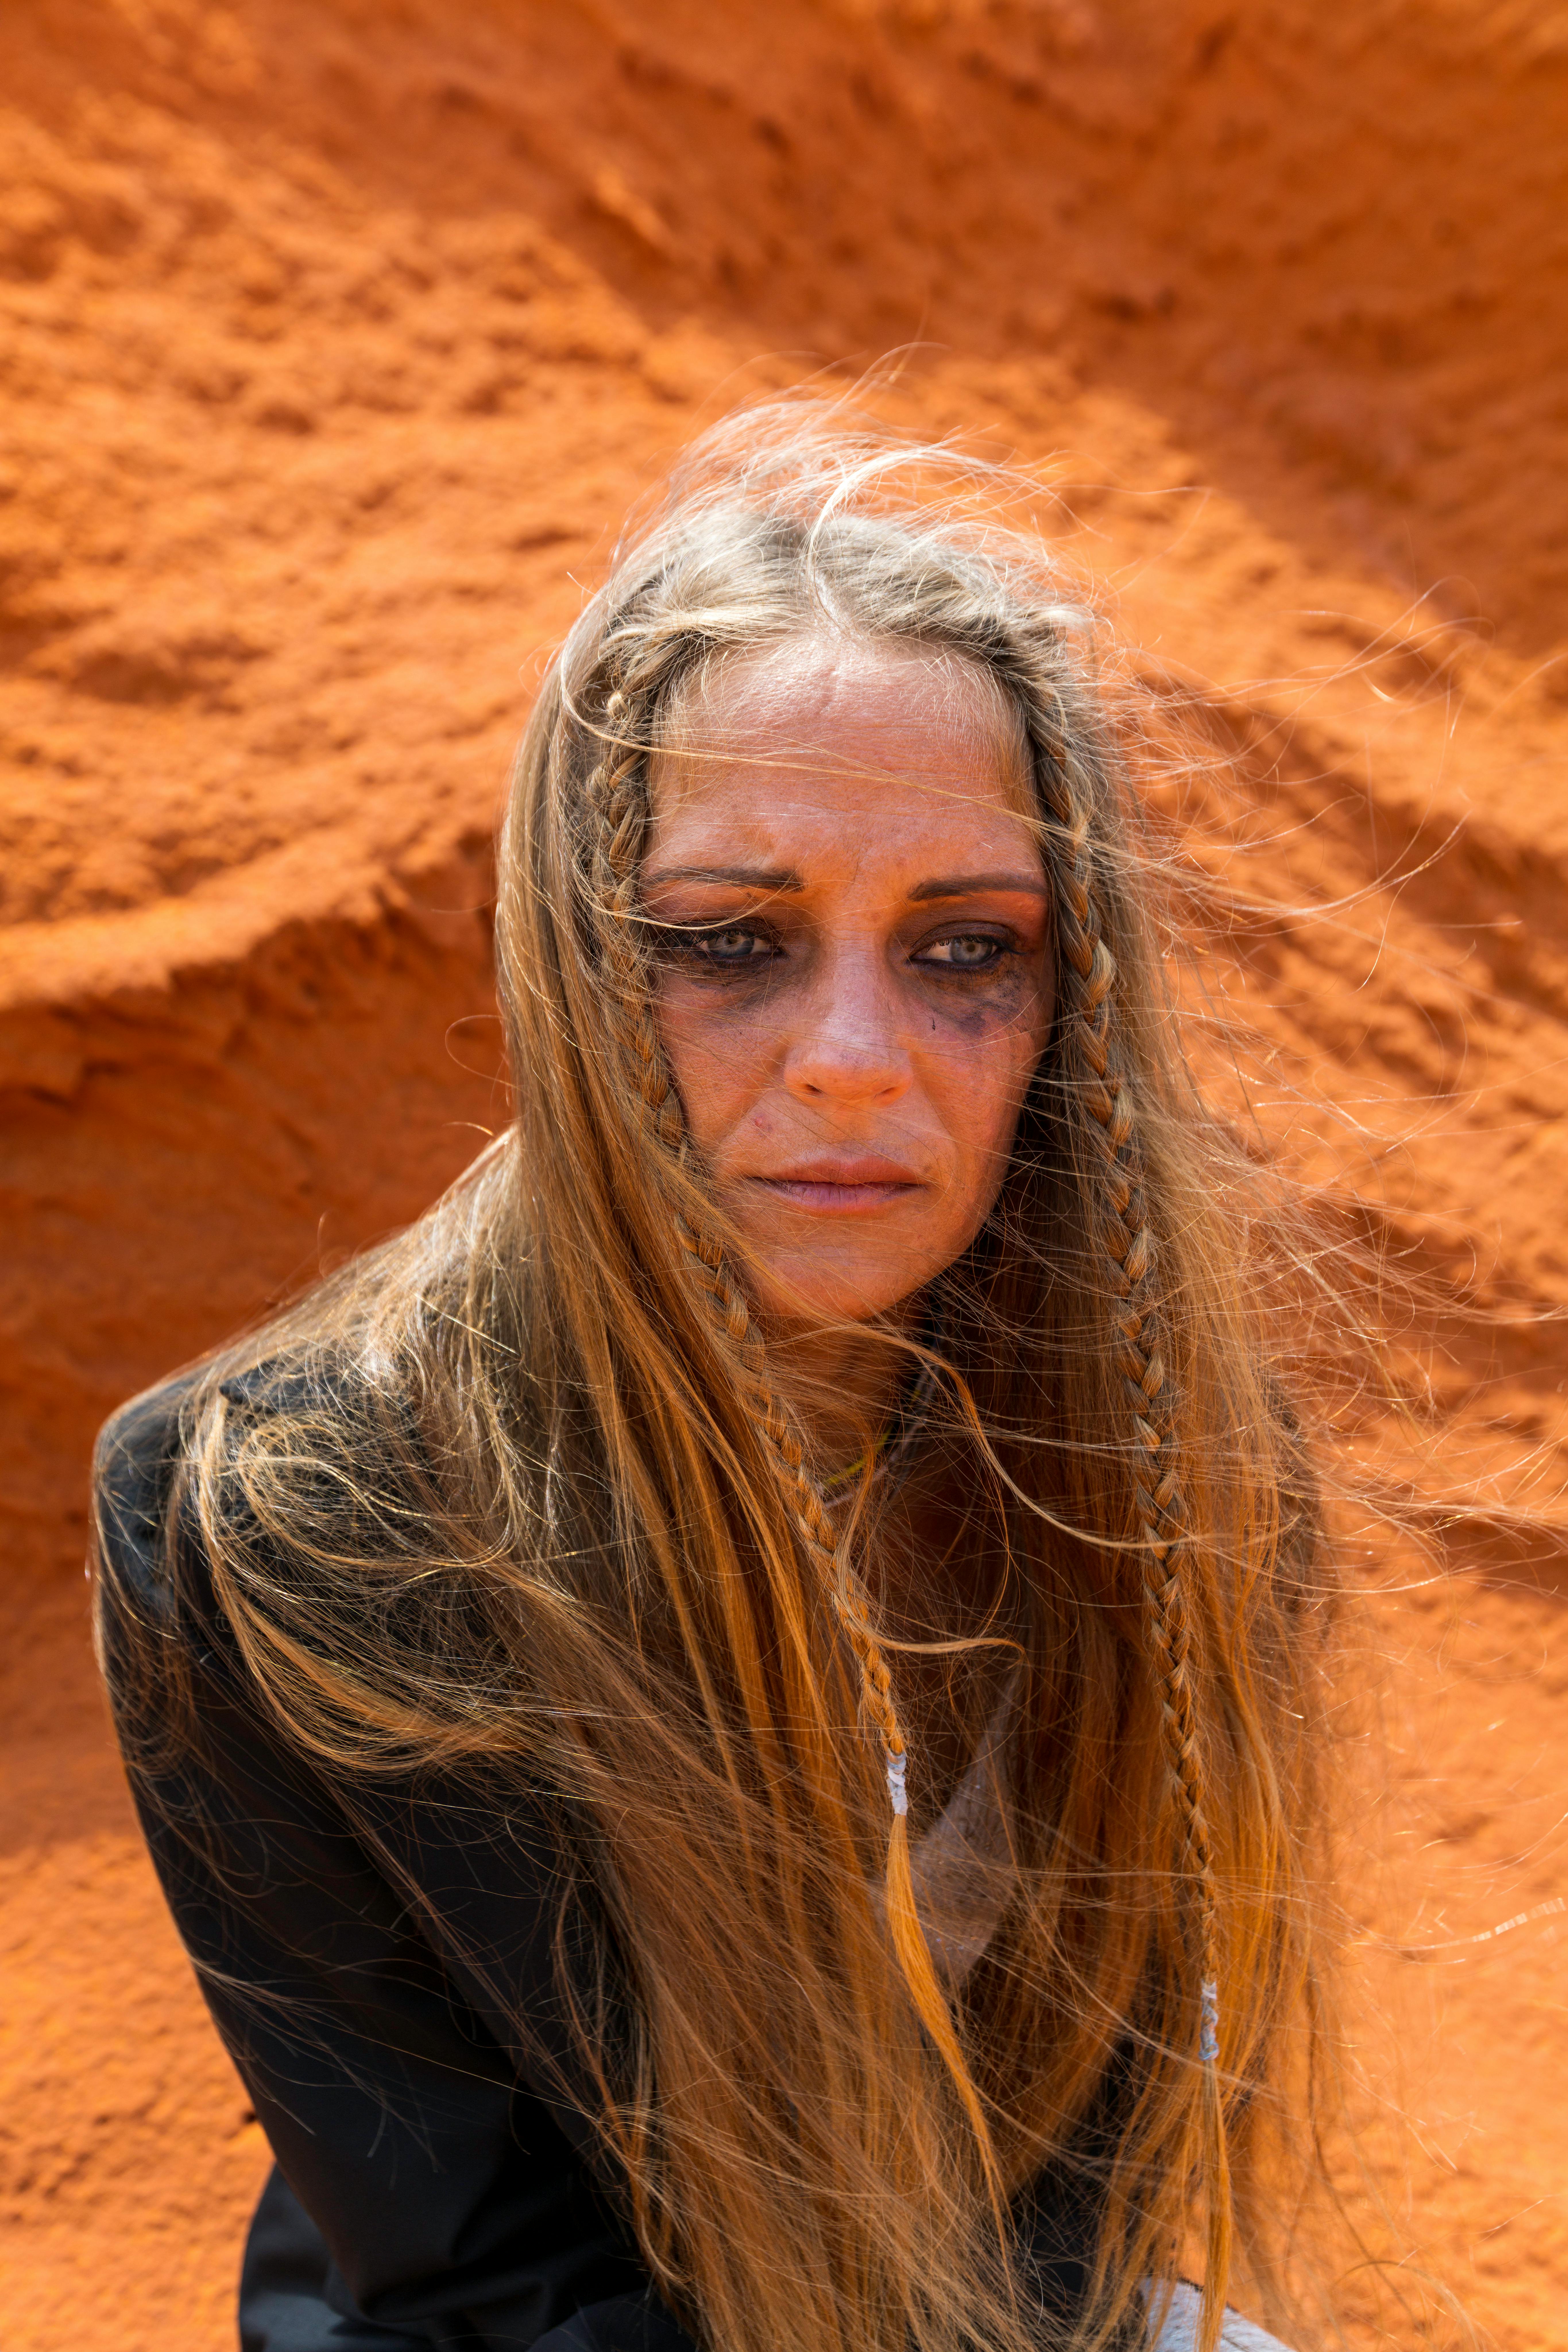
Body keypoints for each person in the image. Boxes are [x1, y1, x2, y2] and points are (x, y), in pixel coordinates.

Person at [94, 404, 1334, 2352]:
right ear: (576, 961)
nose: (849, 1058)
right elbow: (486, 2270)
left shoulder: (1182, 1467)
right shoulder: (275, 1517)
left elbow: (1080, 2182)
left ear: (1068, 1002)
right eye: (731, 941)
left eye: (964, 950)